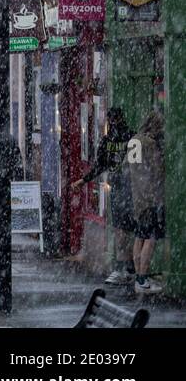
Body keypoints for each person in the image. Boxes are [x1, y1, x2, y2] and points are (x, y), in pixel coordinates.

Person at [70, 108, 136, 285]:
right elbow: (138, 166)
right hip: (132, 190)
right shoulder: (131, 137)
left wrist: (82, 181)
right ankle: (130, 268)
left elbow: (99, 167)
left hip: (121, 190)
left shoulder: (109, 140)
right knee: (131, 230)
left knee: (122, 230)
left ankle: (126, 268)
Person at [127, 108, 166, 294]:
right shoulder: (151, 144)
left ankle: (138, 277)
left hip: (137, 195)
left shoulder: (134, 140)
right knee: (150, 238)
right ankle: (142, 278)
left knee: (139, 236)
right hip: (150, 196)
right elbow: (158, 170)